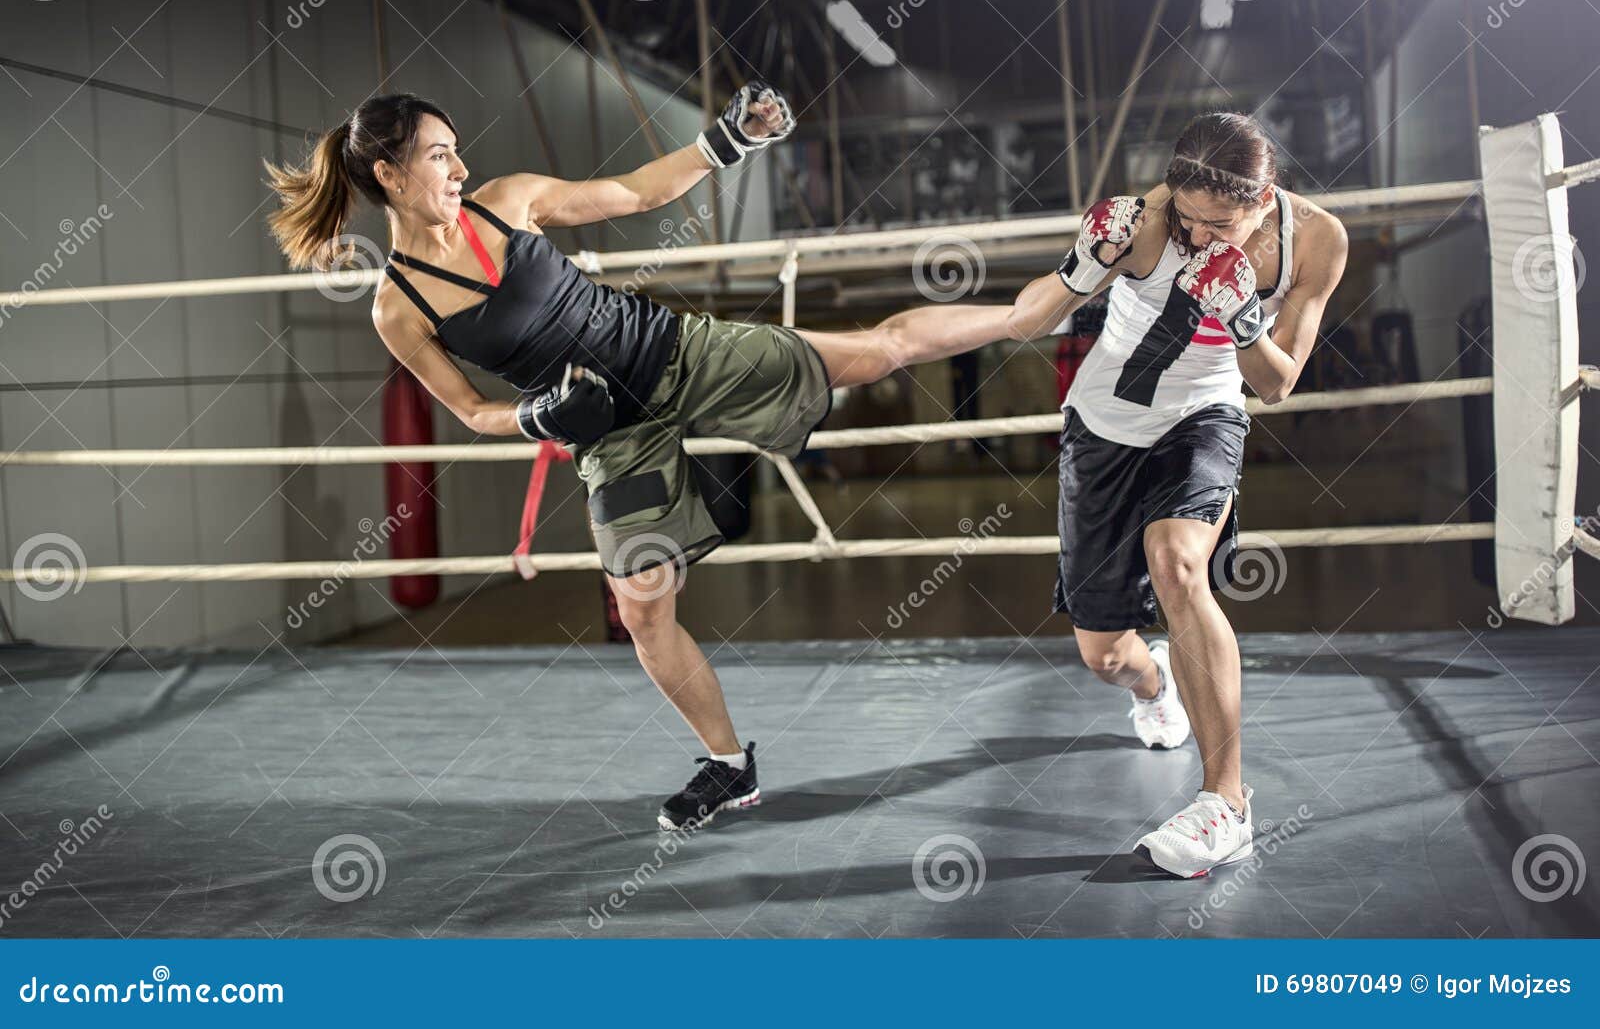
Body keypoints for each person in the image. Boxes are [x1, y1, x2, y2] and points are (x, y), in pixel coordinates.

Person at [264, 85, 1013, 832]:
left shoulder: (508, 200)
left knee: (877, 351)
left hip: (671, 351)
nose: (459, 167)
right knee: (642, 612)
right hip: (609, 433)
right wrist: (538, 415)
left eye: (457, 149)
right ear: (390, 174)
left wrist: (730, 138)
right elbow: (470, 409)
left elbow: (632, 191)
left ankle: (1035, 308)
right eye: (439, 154)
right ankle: (728, 765)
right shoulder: (397, 306)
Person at [1001, 112, 1349, 878]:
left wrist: (1243, 316)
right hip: (1103, 425)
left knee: (1178, 561)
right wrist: (1080, 265)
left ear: (1267, 198)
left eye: (1217, 224)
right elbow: (1029, 318)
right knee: (1103, 655)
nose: (1196, 236)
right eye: (1185, 216)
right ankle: (1155, 683)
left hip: (1206, 414)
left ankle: (1226, 802)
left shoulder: (1316, 240)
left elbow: (1278, 382)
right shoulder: (1146, 222)